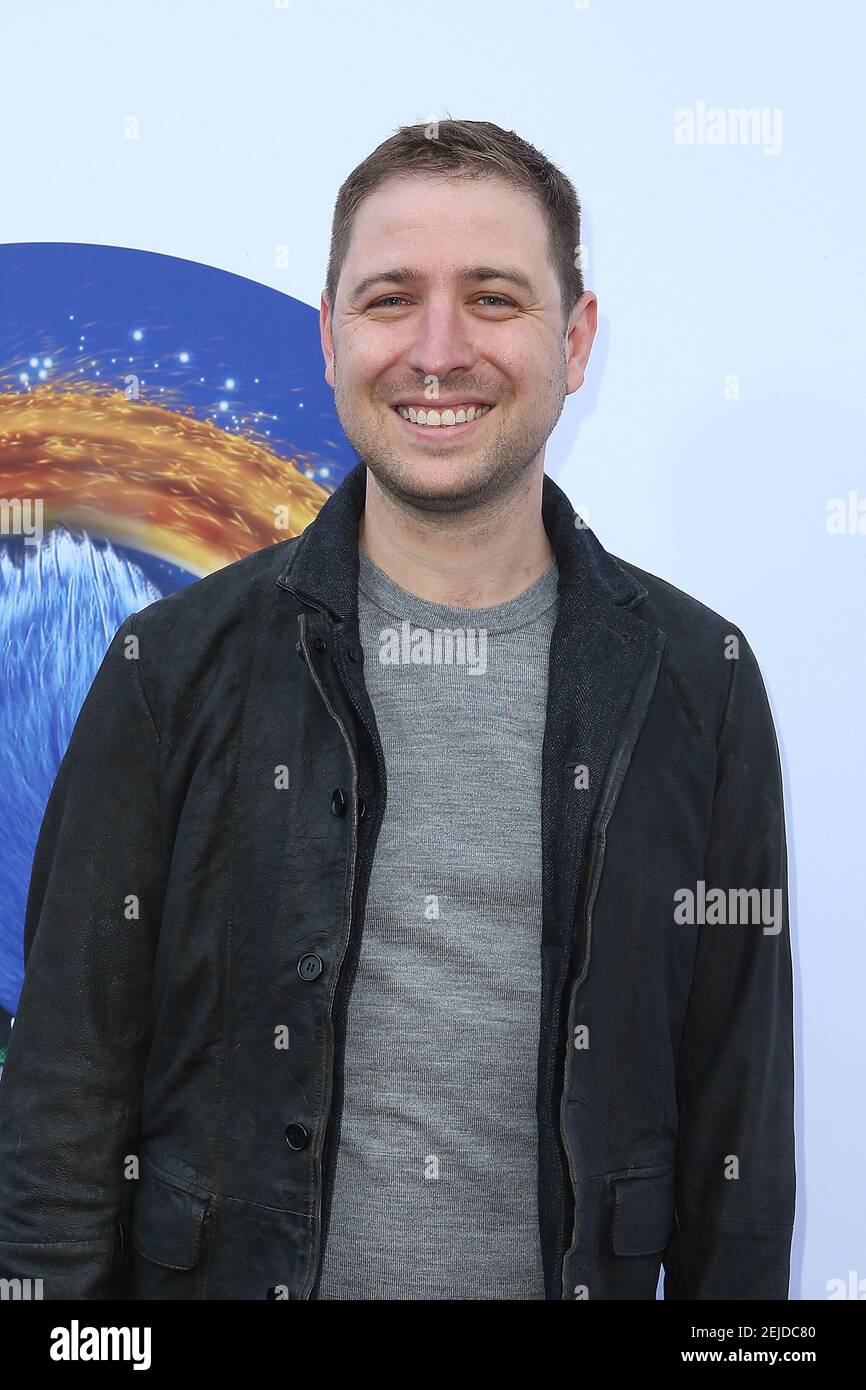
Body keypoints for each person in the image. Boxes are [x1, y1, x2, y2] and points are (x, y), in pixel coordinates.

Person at [0, 119, 795, 1300]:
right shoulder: (166, 670)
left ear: (574, 340)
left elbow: (739, 1137)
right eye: (389, 299)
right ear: (330, 337)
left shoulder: (698, 679)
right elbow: (63, 1110)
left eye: (491, 298)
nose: (437, 350)